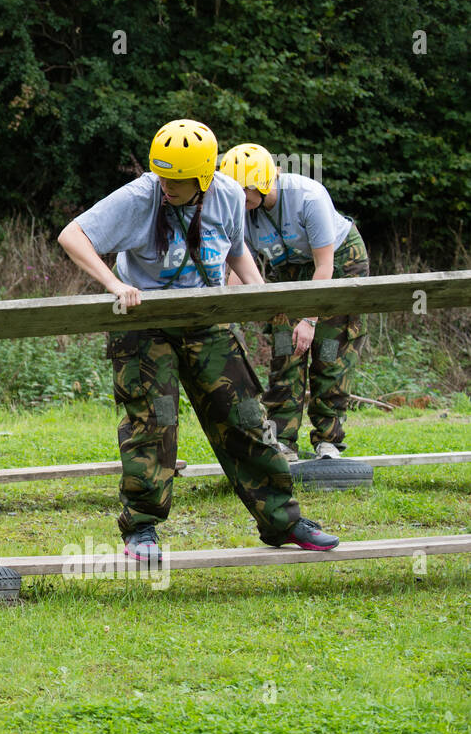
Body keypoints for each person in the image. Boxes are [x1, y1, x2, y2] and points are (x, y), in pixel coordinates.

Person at [57, 119, 339, 562]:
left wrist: (260, 294)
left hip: (205, 319)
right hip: (144, 322)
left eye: (178, 180)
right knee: (154, 421)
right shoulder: (140, 197)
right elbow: (72, 235)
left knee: (245, 416)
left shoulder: (227, 194)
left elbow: (235, 249)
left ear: (204, 178)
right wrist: (114, 285)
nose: (167, 186)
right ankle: (142, 529)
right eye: (163, 176)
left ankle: (282, 521)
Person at [219, 143, 368, 461]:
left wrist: (310, 321)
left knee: (329, 350)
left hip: (338, 263)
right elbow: (239, 265)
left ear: (259, 184)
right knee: (286, 349)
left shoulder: (308, 197)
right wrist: (228, 312)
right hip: (290, 268)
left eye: (242, 194)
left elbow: (324, 266)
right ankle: (282, 439)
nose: (237, 202)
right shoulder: (242, 211)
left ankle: (328, 440)